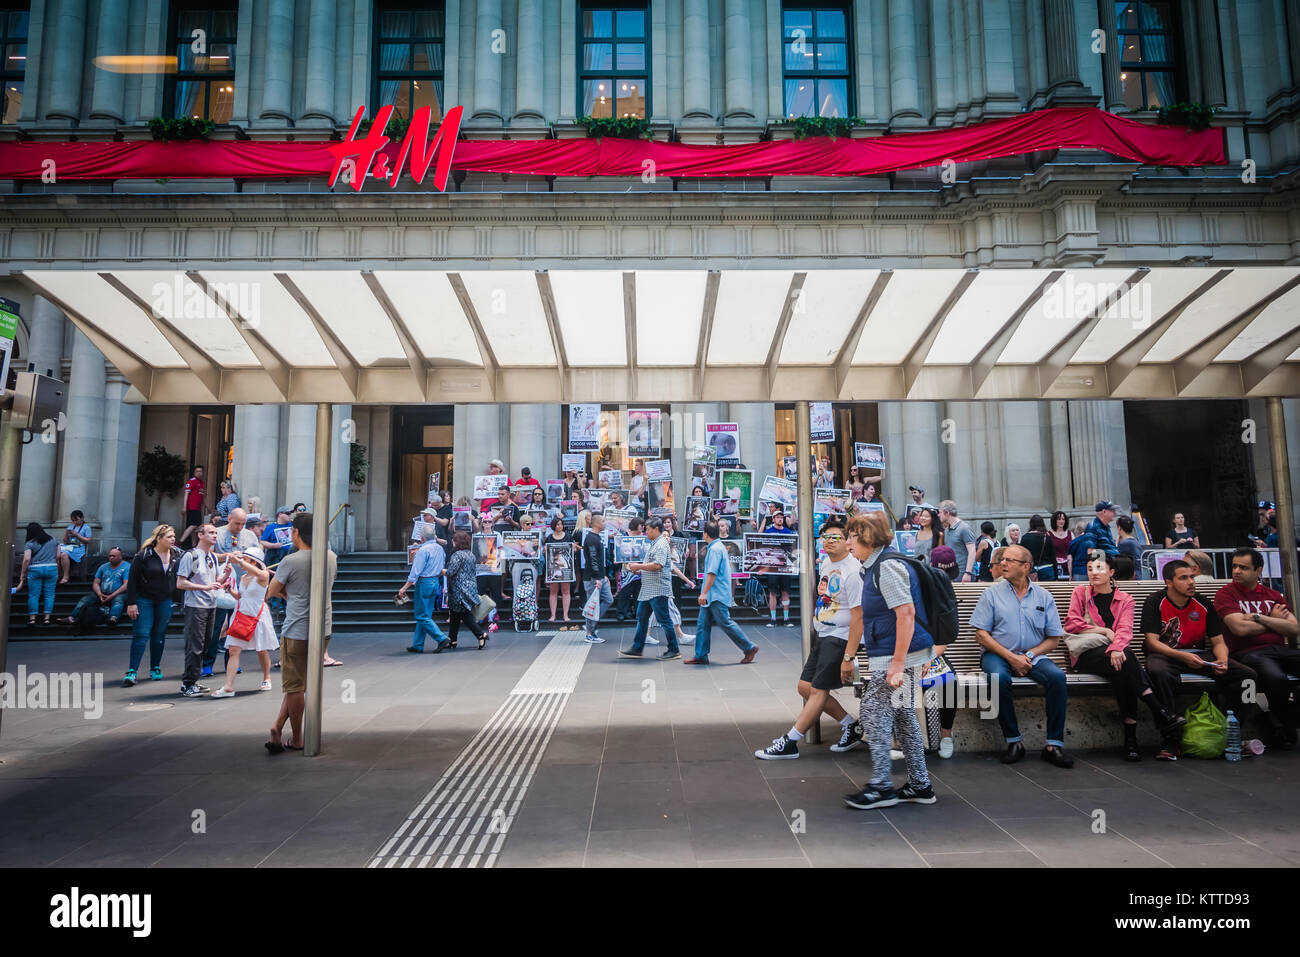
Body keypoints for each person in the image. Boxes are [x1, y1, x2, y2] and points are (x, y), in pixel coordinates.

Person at [841, 511, 936, 809]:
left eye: (851, 536)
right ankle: (920, 784)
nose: (847, 543)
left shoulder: (888, 566)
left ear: (868, 536)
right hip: (900, 653)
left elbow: (905, 614)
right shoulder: (875, 565)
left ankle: (882, 785)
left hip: (898, 656)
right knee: (903, 715)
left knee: (872, 711)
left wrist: (898, 663)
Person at [755, 516, 863, 759]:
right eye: (826, 537)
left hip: (840, 638)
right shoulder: (826, 563)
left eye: (836, 537)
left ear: (848, 542)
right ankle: (851, 725)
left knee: (818, 690)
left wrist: (849, 655)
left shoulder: (853, 572)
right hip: (824, 634)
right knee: (805, 687)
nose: (829, 542)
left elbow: (859, 616)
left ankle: (790, 741)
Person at [1065, 550, 1185, 761]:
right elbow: (1072, 624)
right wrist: (1104, 632)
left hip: (1116, 655)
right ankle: (1158, 712)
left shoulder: (1125, 600)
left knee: (1123, 671)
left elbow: (1125, 630)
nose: (1094, 573)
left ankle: (1132, 741)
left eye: (1099, 569)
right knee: (1125, 662)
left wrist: (1115, 648)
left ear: (1111, 572)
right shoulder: (1080, 593)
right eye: (1090, 569)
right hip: (1086, 654)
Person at [1142, 560, 1257, 759]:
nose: (1191, 582)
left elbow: (1218, 642)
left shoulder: (1203, 603)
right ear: (1169, 582)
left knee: (1248, 677)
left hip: (1198, 655)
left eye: (1192, 577)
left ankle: (1233, 731)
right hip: (1166, 654)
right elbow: (1152, 642)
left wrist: (1222, 660)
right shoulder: (1155, 601)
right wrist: (1182, 656)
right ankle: (1170, 739)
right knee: (1157, 673)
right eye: (1184, 578)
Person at [971, 544, 1073, 767]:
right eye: (1002, 560)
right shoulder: (991, 594)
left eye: (1010, 560)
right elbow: (981, 635)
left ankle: (1053, 745)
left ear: (1026, 567)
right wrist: (1011, 658)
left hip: (1033, 656)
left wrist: (1028, 655)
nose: (1003, 564)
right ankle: (1014, 741)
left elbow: (1054, 639)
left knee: (1057, 678)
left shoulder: (1044, 596)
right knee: (998, 679)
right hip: (997, 654)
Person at [264, 512, 338, 753]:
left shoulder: (291, 561)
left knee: (294, 686)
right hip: (323, 626)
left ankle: (297, 738)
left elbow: (272, 591)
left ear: (296, 533)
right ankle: (276, 726)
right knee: (303, 683)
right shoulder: (330, 557)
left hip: (297, 628)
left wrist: (287, 592)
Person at [1215, 547, 1300, 746]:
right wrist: (1272, 619)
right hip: (1247, 653)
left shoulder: (1272, 595)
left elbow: (1294, 628)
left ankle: (1283, 718)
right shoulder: (1226, 594)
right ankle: (1281, 720)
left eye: (1243, 567)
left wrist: (1258, 618)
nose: (1236, 571)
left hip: (1279, 651)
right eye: (1234, 566)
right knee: (1276, 678)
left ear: (1258, 571)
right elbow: (1239, 629)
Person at [686, 521, 758, 665]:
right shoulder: (716, 547)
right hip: (713, 594)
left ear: (705, 534)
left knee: (725, 622)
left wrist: (704, 593)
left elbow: (712, 573)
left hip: (716, 594)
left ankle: (749, 647)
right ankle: (700, 655)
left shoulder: (715, 549)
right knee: (703, 624)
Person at [211, 546, 278, 697]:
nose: (243, 562)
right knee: (233, 650)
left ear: (254, 562)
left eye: (247, 559)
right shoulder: (243, 577)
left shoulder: (263, 575)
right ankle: (228, 686)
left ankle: (267, 678)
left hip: (257, 615)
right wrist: (229, 589)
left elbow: (262, 573)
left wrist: (239, 561)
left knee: (262, 649)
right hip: (241, 614)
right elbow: (240, 597)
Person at [123, 524, 181, 687]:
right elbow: (132, 581)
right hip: (144, 599)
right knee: (141, 634)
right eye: (169, 537)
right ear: (159, 538)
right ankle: (132, 670)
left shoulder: (176, 554)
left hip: (165, 599)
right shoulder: (144, 555)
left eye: (174, 536)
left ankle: (155, 667)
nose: (173, 539)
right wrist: (131, 603)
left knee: (159, 635)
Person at [617, 517, 679, 660]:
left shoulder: (661, 544)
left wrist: (639, 566)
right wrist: (640, 570)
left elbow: (658, 565)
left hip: (657, 589)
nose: (646, 531)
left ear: (656, 529)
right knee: (642, 617)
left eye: (648, 529)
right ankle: (637, 648)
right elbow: (653, 565)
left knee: (664, 620)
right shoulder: (655, 543)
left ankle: (674, 650)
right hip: (649, 588)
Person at [176, 523, 227, 698]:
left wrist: (224, 577)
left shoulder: (211, 557)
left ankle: (194, 681)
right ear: (200, 535)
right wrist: (204, 587)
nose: (215, 536)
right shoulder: (190, 556)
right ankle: (187, 684)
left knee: (204, 645)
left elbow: (214, 580)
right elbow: (181, 583)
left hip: (211, 605)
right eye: (211, 533)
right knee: (195, 646)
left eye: (215, 533)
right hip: (195, 606)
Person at [397, 524, 449, 653]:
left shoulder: (423, 550)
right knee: (426, 614)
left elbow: (415, 571)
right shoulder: (440, 548)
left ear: (422, 538)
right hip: (435, 581)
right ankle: (418, 644)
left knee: (421, 615)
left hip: (424, 582)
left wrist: (404, 588)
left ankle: (441, 638)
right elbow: (441, 566)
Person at [62, 546, 131, 627]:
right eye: (110, 556)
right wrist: (99, 594)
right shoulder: (103, 567)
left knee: (118, 600)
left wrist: (111, 596)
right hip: (102, 593)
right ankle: (72, 618)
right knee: (85, 600)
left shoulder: (127, 567)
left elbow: (126, 584)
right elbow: (96, 583)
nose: (111, 558)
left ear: (120, 557)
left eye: (114, 556)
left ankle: (113, 618)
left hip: (118, 593)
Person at [444, 530, 490, 651]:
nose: (452, 542)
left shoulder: (457, 555)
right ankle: (452, 640)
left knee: (464, 615)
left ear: (457, 542)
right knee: (454, 615)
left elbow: (450, 572)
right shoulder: (471, 554)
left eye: (453, 540)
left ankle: (480, 634)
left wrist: (441, 571)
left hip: (459, 590)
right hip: (470, 588)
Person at [17, 522, 59, 626]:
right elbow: (58, 556)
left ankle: (32, 619)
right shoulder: (54, 540)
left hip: (35, 569)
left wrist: (23, 574)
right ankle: (47, 619)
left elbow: (26, 559)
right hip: (52, 568)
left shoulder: (30, 543)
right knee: (49, 595)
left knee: (33, 595)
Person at [760, 507, 794, 626]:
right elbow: (762, 547)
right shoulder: (768, 532)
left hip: (784, 566)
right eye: (778, 517)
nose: (780, 519)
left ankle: (786, 619)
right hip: (772, 566)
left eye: (781, 517)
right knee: (772, 592)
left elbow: (792, 549)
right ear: (773, 519)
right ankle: (773, 619)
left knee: (785, 592)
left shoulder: (788, 532)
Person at [582, 513, 613, 644]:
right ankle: (589, 633)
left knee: (608, 599)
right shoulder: (591, 539)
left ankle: (592, 624)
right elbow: (593, 560)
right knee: (592, 605)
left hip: (599, 576)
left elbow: (599, 560)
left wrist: (603, 575)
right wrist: (597, 578)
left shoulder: (596, 537)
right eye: (603, 521)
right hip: (592, 578)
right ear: (596, 523)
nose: (605, 523)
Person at [544, 515, 576, 626]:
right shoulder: (549, 537)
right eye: (557, 524)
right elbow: (545, 552)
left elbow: (573, 551)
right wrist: (544, 550)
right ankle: (553, 615)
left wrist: (574, 547)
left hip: (566, 567)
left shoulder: (568, 536)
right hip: (553, 568)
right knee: (553, 591)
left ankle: (565, 615)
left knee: (566, 591)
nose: (560, 526)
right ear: (553, 526)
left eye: (561, 524)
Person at [938, 500, 978, 582]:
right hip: (952, 574)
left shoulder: (964, 528)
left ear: (947, 513)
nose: (938, 515)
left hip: (963, 574)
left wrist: (968, 573)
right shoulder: (947, 530)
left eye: (940, 512)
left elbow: (972, 551)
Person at [56, 510, 92, 582]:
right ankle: (57, 575)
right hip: (69, 546)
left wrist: (77, 535)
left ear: (82, 518)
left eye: (76, 520)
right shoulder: (71, 527)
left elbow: (88, 540)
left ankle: (65, 577)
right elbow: (65, 541)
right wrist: (66, 534)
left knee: (64, 555)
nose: (75, 522)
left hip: (79, 548)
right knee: (58, 554)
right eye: (73, 520)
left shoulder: (86, 527)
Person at [1019, 513, 1055, 581]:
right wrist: (1056, 576)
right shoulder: (1047, 537)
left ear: (1031, 524)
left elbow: (1022, 557)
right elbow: (1053, 557)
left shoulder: (1025, 538)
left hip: (1031, 571)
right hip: (1047, 569)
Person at [179, 465, 205, 546]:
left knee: (196, 528)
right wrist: (184, 506)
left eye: (200, 471)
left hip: (198, 508)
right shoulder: (191, 481)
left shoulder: (202, 483)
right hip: (192, 507)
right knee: (193, 525)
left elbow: (202, 496)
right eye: (197, 471)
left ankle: (194, 545)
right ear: (194, 472)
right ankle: (180, 542)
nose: (199, 473)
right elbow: (186, 494)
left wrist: (206, 506)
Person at [1116, 515, 1145, 580]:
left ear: (1119, 528)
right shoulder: (1134, 541)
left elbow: (1116, 557)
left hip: (1130, 577)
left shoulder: (1124, 543)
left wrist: (1117, 544)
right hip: (1137, 574)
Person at [1048, 510, 1073, 580]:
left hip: (1069, 566)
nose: (1061, 521)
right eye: (1059, 519)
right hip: (1055, 567)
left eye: (1063, 519)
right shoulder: (1048, 534)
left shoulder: (1070, 534)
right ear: (1054, 520)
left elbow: (1074, 550)